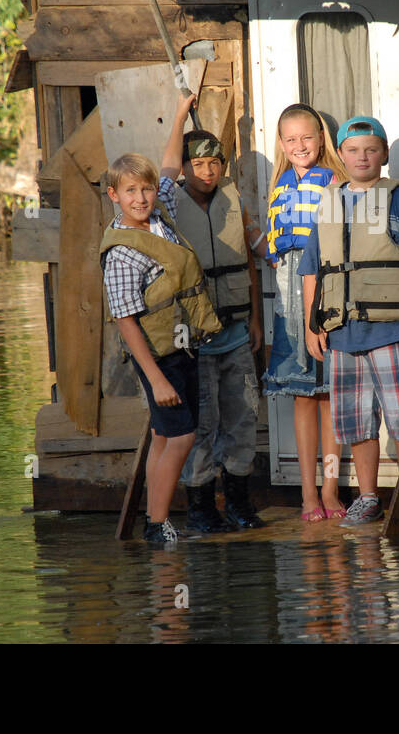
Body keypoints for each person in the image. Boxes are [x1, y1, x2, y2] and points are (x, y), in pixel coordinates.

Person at [299, 116, 399, 528]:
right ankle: (368, 497)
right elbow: (312, 270)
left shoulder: (398, 200)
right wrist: (312, 325)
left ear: (385, 155)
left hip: (391, 332)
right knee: (356, 422)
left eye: (371, 149)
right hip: (342, 335)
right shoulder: (329, 201)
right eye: (354, 150)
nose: (362, 157)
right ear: (341, 155)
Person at [100, 143, 222, 545]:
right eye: (131, 192)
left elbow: (169, 169)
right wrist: (156, 380)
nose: (141, 198)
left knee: (165, 436)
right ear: (114, 195)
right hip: (157, 358)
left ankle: (156, 522)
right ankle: (158, 524)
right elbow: (125, 320)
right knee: (183, 436)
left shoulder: (160, 215)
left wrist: (179, 116)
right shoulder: (121, 251)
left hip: (183, 347)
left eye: (146, 190)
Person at [159, 93, 266, 532]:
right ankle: (202, 510)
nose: (207, 172)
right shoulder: (167, 203)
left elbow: (248, 264)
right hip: (195, 343)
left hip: (237, 334)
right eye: (197, 165)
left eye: (214, 164)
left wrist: (256, 319)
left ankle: (239, 505)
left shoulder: (231, 199)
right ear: (185, 169)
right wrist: (180, 114)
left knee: (242, 419)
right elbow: (164, 169)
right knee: (203, 426)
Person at [263, 103, 350, 522]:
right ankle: (307, 494)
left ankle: (332, 489)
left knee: (330, 394)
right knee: (302, 394)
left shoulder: (335, 181)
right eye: (290, 139)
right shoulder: (278, 184)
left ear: (320, 139)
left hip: (325, 286)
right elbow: (273, 243)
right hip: (287, 293)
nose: (299, 146)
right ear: (281, 144)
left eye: (306, 138)